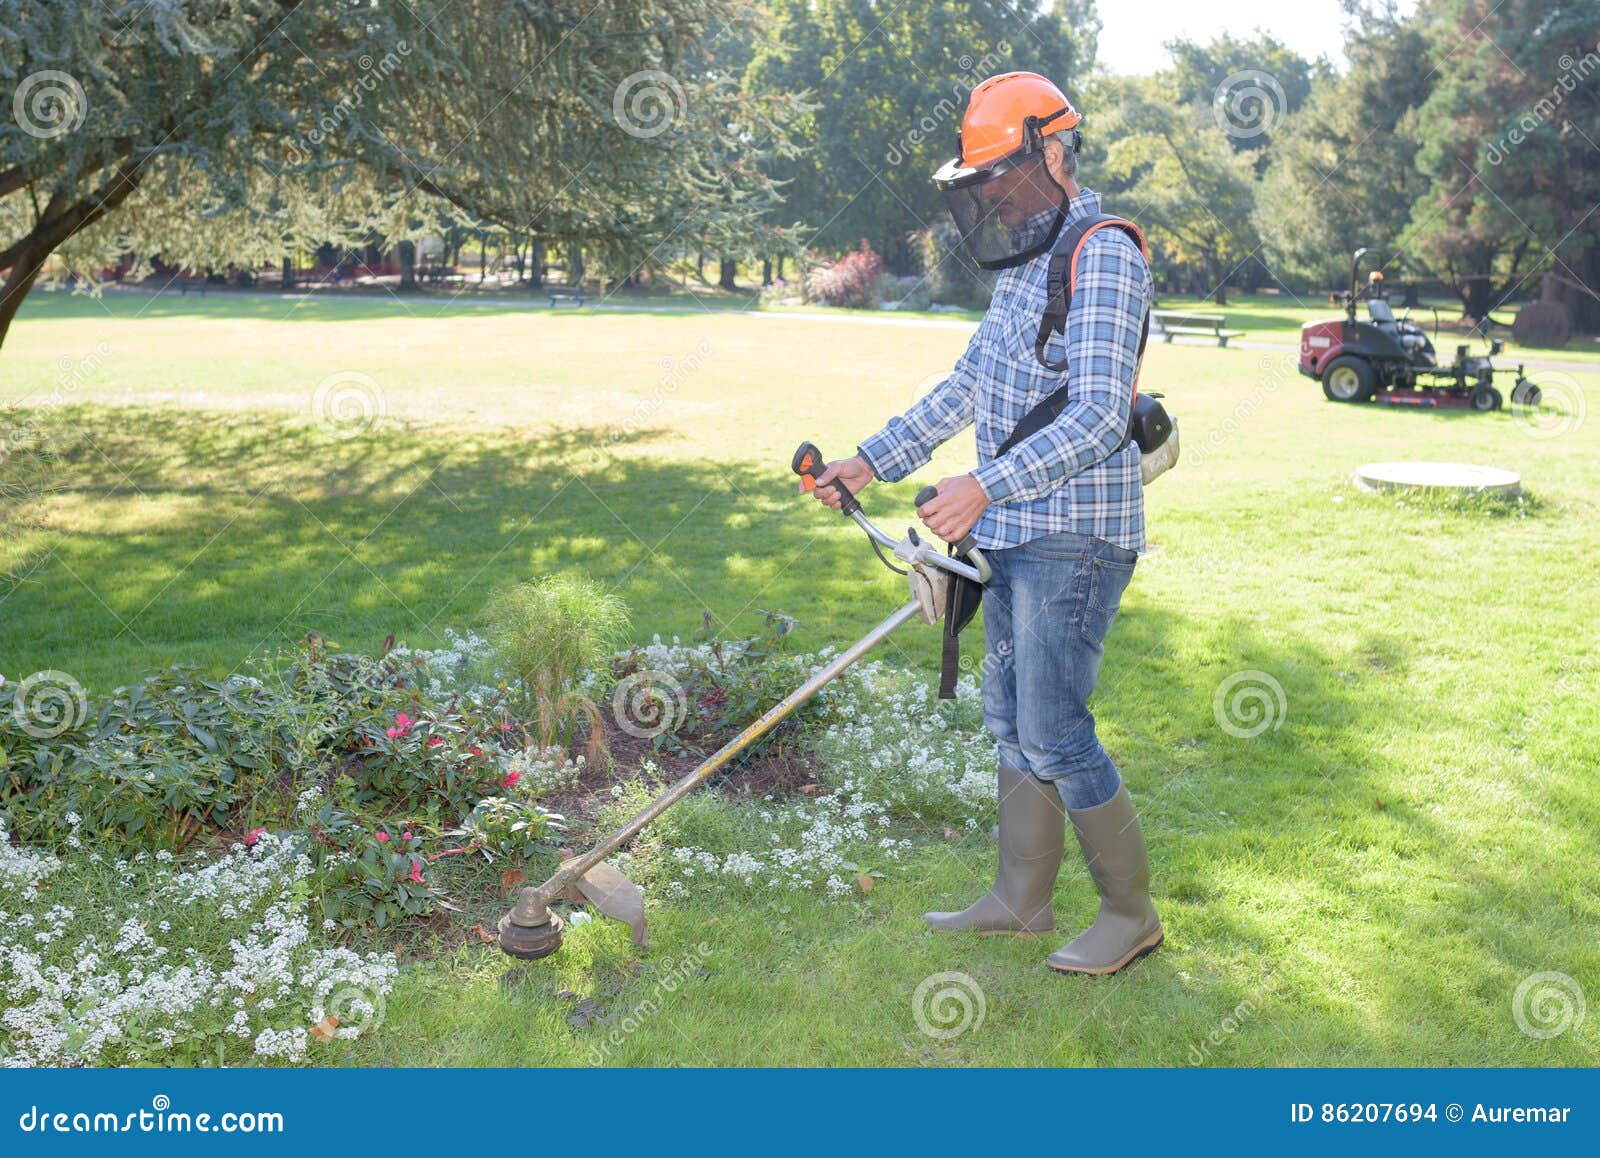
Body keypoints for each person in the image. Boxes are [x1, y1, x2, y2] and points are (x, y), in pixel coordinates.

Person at [809, 72, 1162, 975]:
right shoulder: (1026, 260)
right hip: (1012, 528)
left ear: (1054, 149)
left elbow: (1096, 414)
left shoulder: (1104, 251)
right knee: (1010, 719)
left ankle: (1131, 915)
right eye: (982, 182)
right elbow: (968, 386)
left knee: (1054, 728)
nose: (995, 194)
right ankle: (1020, 899)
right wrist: (871, 458)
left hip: (1076, 533)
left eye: (1005, 172)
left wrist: (985, 486)